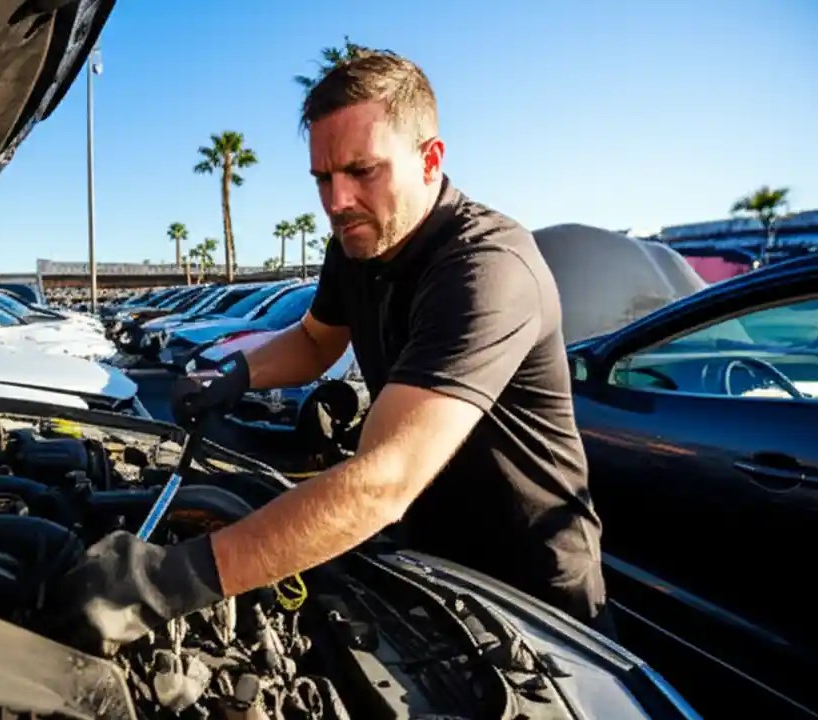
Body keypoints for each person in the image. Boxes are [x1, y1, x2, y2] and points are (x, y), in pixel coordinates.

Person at [48, 48, 613, 657]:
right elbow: (316, 339)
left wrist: (169, 580)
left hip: (533, 605)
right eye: (323, 177)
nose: (337, 200)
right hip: (429, 567)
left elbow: (384, 479)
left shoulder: (486, 268)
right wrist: (235, 374)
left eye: (362, 170)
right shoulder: (355, 246)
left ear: (431, 159)